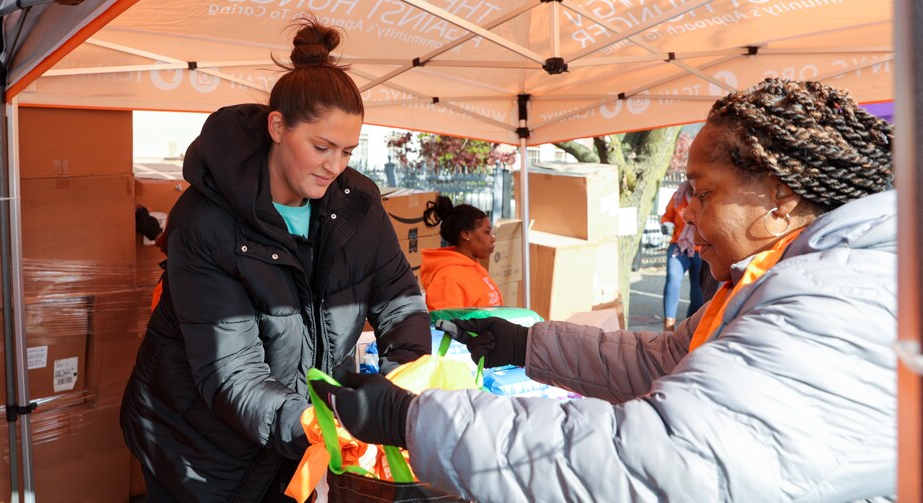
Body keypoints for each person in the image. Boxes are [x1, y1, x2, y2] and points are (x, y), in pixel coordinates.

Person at [312, 78, 897, 502]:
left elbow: (657, 460)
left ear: (782, 199)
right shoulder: (789, 279)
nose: (685, 215)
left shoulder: (835, 299)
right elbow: (662, 360)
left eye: (704, 191)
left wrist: (416, 419)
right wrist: (526, 346)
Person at [120, 18, 431, 503]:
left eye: (347, 151)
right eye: (321, 147)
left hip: (296, 439)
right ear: (278, 126)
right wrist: (321, 422)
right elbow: (233, 374)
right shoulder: (206, 221)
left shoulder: (357, 204)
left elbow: (398, 300)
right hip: (197, 447)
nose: (335, 166)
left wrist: (401, 385)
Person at [420, 195, 502, 311]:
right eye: (487, 232)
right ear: (466, 234)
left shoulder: (474, 267)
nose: (492, 238)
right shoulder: (447, 281)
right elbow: (446, 326)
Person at [660, 183, 703, 330]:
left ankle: (688, 329)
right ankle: (668, 325)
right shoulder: (678, 196)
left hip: (701, 249)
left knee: (698, 294)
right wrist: (666, 224)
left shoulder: (708, 197)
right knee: (673, 276)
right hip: (679, 246)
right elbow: (667, 217)